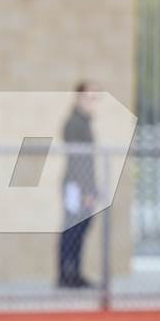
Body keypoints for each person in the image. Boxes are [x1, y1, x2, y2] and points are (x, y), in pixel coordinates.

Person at [57, 82, 100, 288]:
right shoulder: (75, 124)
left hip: (83, 186)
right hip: (76, 186)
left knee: (81, 227)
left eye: (95, 98)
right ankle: (66, 274)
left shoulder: (84, 123)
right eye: (88, 98)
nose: (92, 103)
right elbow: (78, 160)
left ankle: (74, 272)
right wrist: (85, 191)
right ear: (78, 98)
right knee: (72, 228)